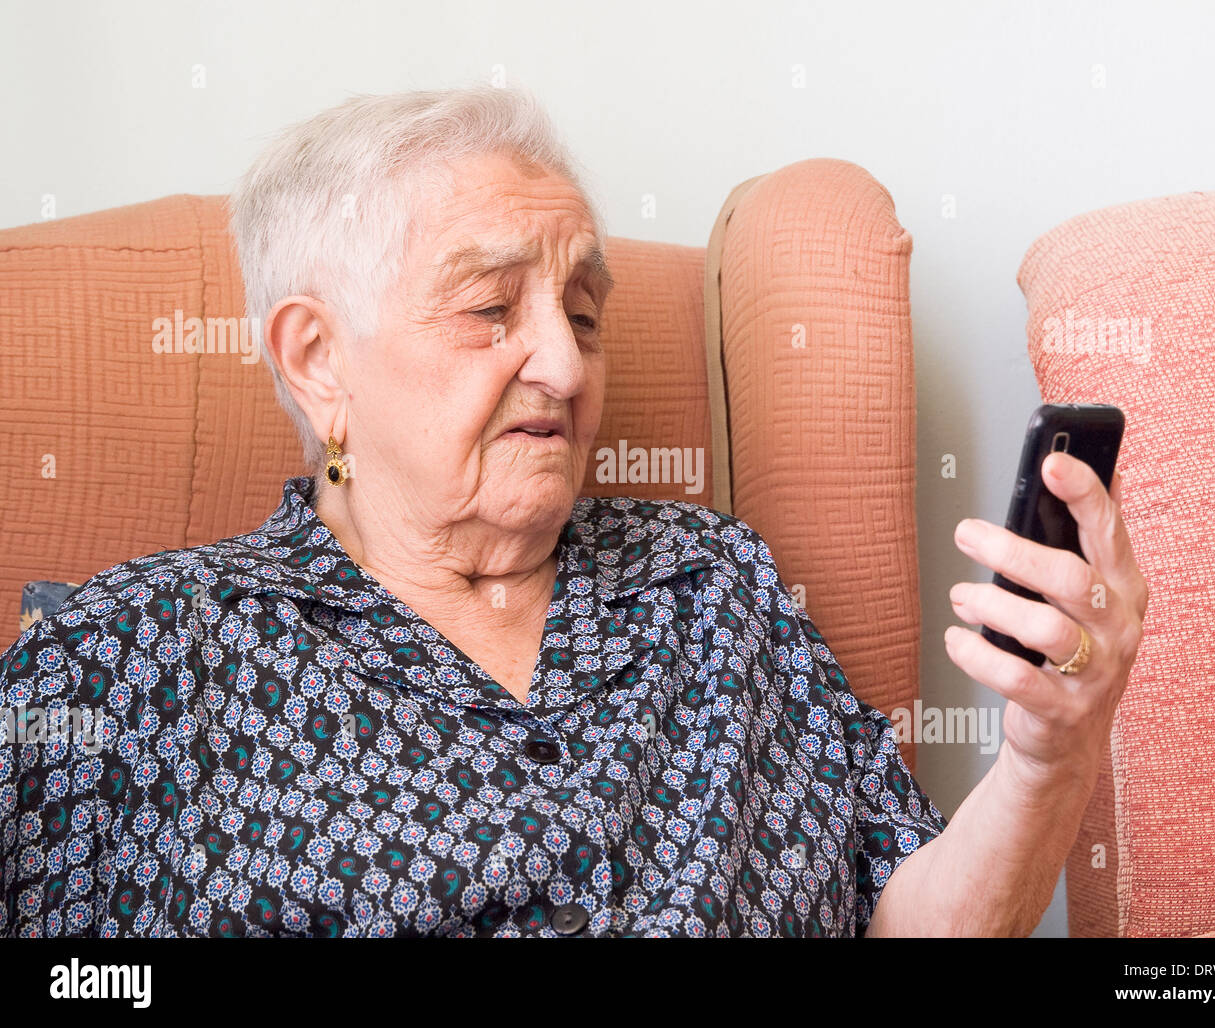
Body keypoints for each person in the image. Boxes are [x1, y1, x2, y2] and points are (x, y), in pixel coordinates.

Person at [0, 86, 1147, 937]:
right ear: (317, 362)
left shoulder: (711, 584)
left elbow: (903, 919)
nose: (562, 359)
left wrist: (1050, 753)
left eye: (584, 312)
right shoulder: (128, 657)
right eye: (491, 306)